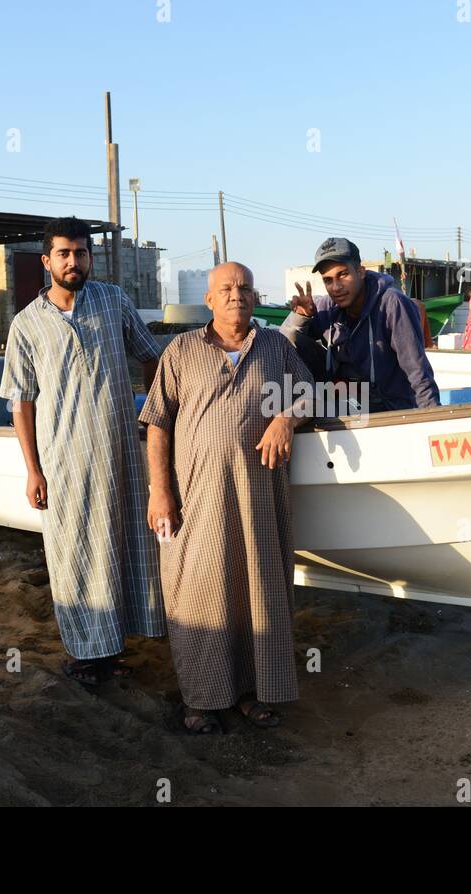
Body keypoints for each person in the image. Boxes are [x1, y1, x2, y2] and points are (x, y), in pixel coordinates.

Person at [140, 262, 313, 734]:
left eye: (244, 288)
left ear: (256, 299)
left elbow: (310, 393)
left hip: (259, 501)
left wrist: (285, 420)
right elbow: (157, 422)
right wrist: (160, 492)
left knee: (258, 594)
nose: (236, 295)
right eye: (226, 289)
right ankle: (201, 699)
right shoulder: (180, 350)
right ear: (210, 301)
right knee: (200, 594)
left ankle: (253, 695)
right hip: (197, 502)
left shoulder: (275, 347)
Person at [0, 216, 165, 686]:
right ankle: (84, 656)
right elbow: (22, 402)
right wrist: (33, 470)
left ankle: (112, 650)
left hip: (121, 457)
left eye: (82, 252)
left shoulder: (113, 301)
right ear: (47, 260)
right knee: (73, 554)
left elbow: (152, 355)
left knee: (124, 547)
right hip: (63, 462)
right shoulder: (27, 324)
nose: (74, 261)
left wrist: (151, 417)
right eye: (64, 254)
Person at [282, 237, 439, 412]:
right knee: (293, 340)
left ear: (361, 272)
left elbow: (417, 370)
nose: (336, 287)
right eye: (328, 280)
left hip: (391, 411)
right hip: (347, 403)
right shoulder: (326, 306)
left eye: (343, 275)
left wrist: (432, 418)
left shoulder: (392, 304)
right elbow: (282, 345)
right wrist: (300, 316)